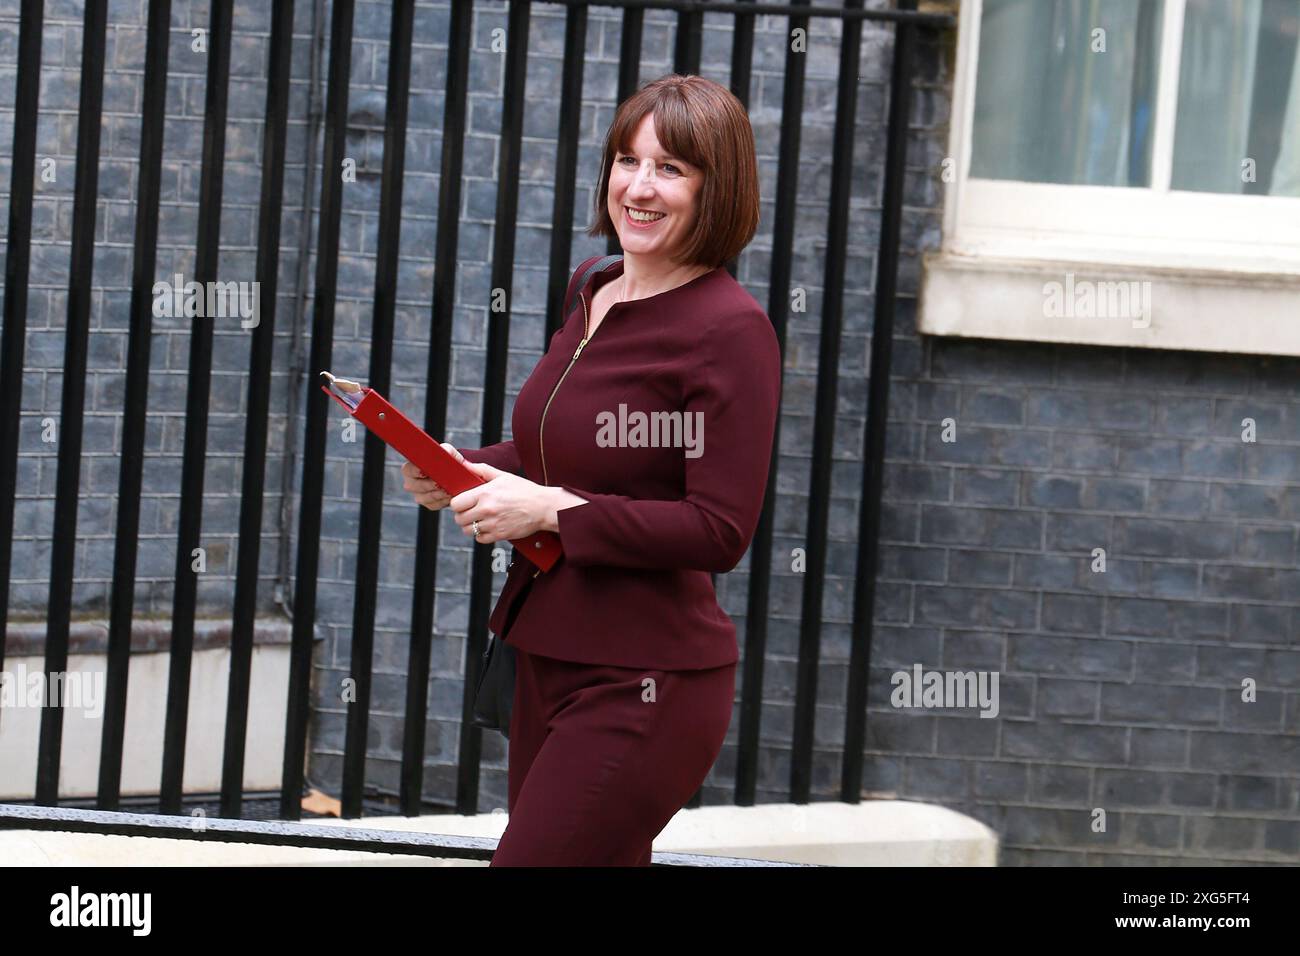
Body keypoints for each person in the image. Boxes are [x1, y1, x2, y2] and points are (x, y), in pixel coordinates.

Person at [400, 74, 780, 866]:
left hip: (646, 682)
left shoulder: (731, 331)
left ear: (718, 188)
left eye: (671, 169)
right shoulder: (594, 284)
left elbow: (719, 528)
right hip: (544, 657)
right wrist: (465, 470)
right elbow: (558, 454)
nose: (639, 188)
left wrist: (548, 513)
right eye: (626, 160)